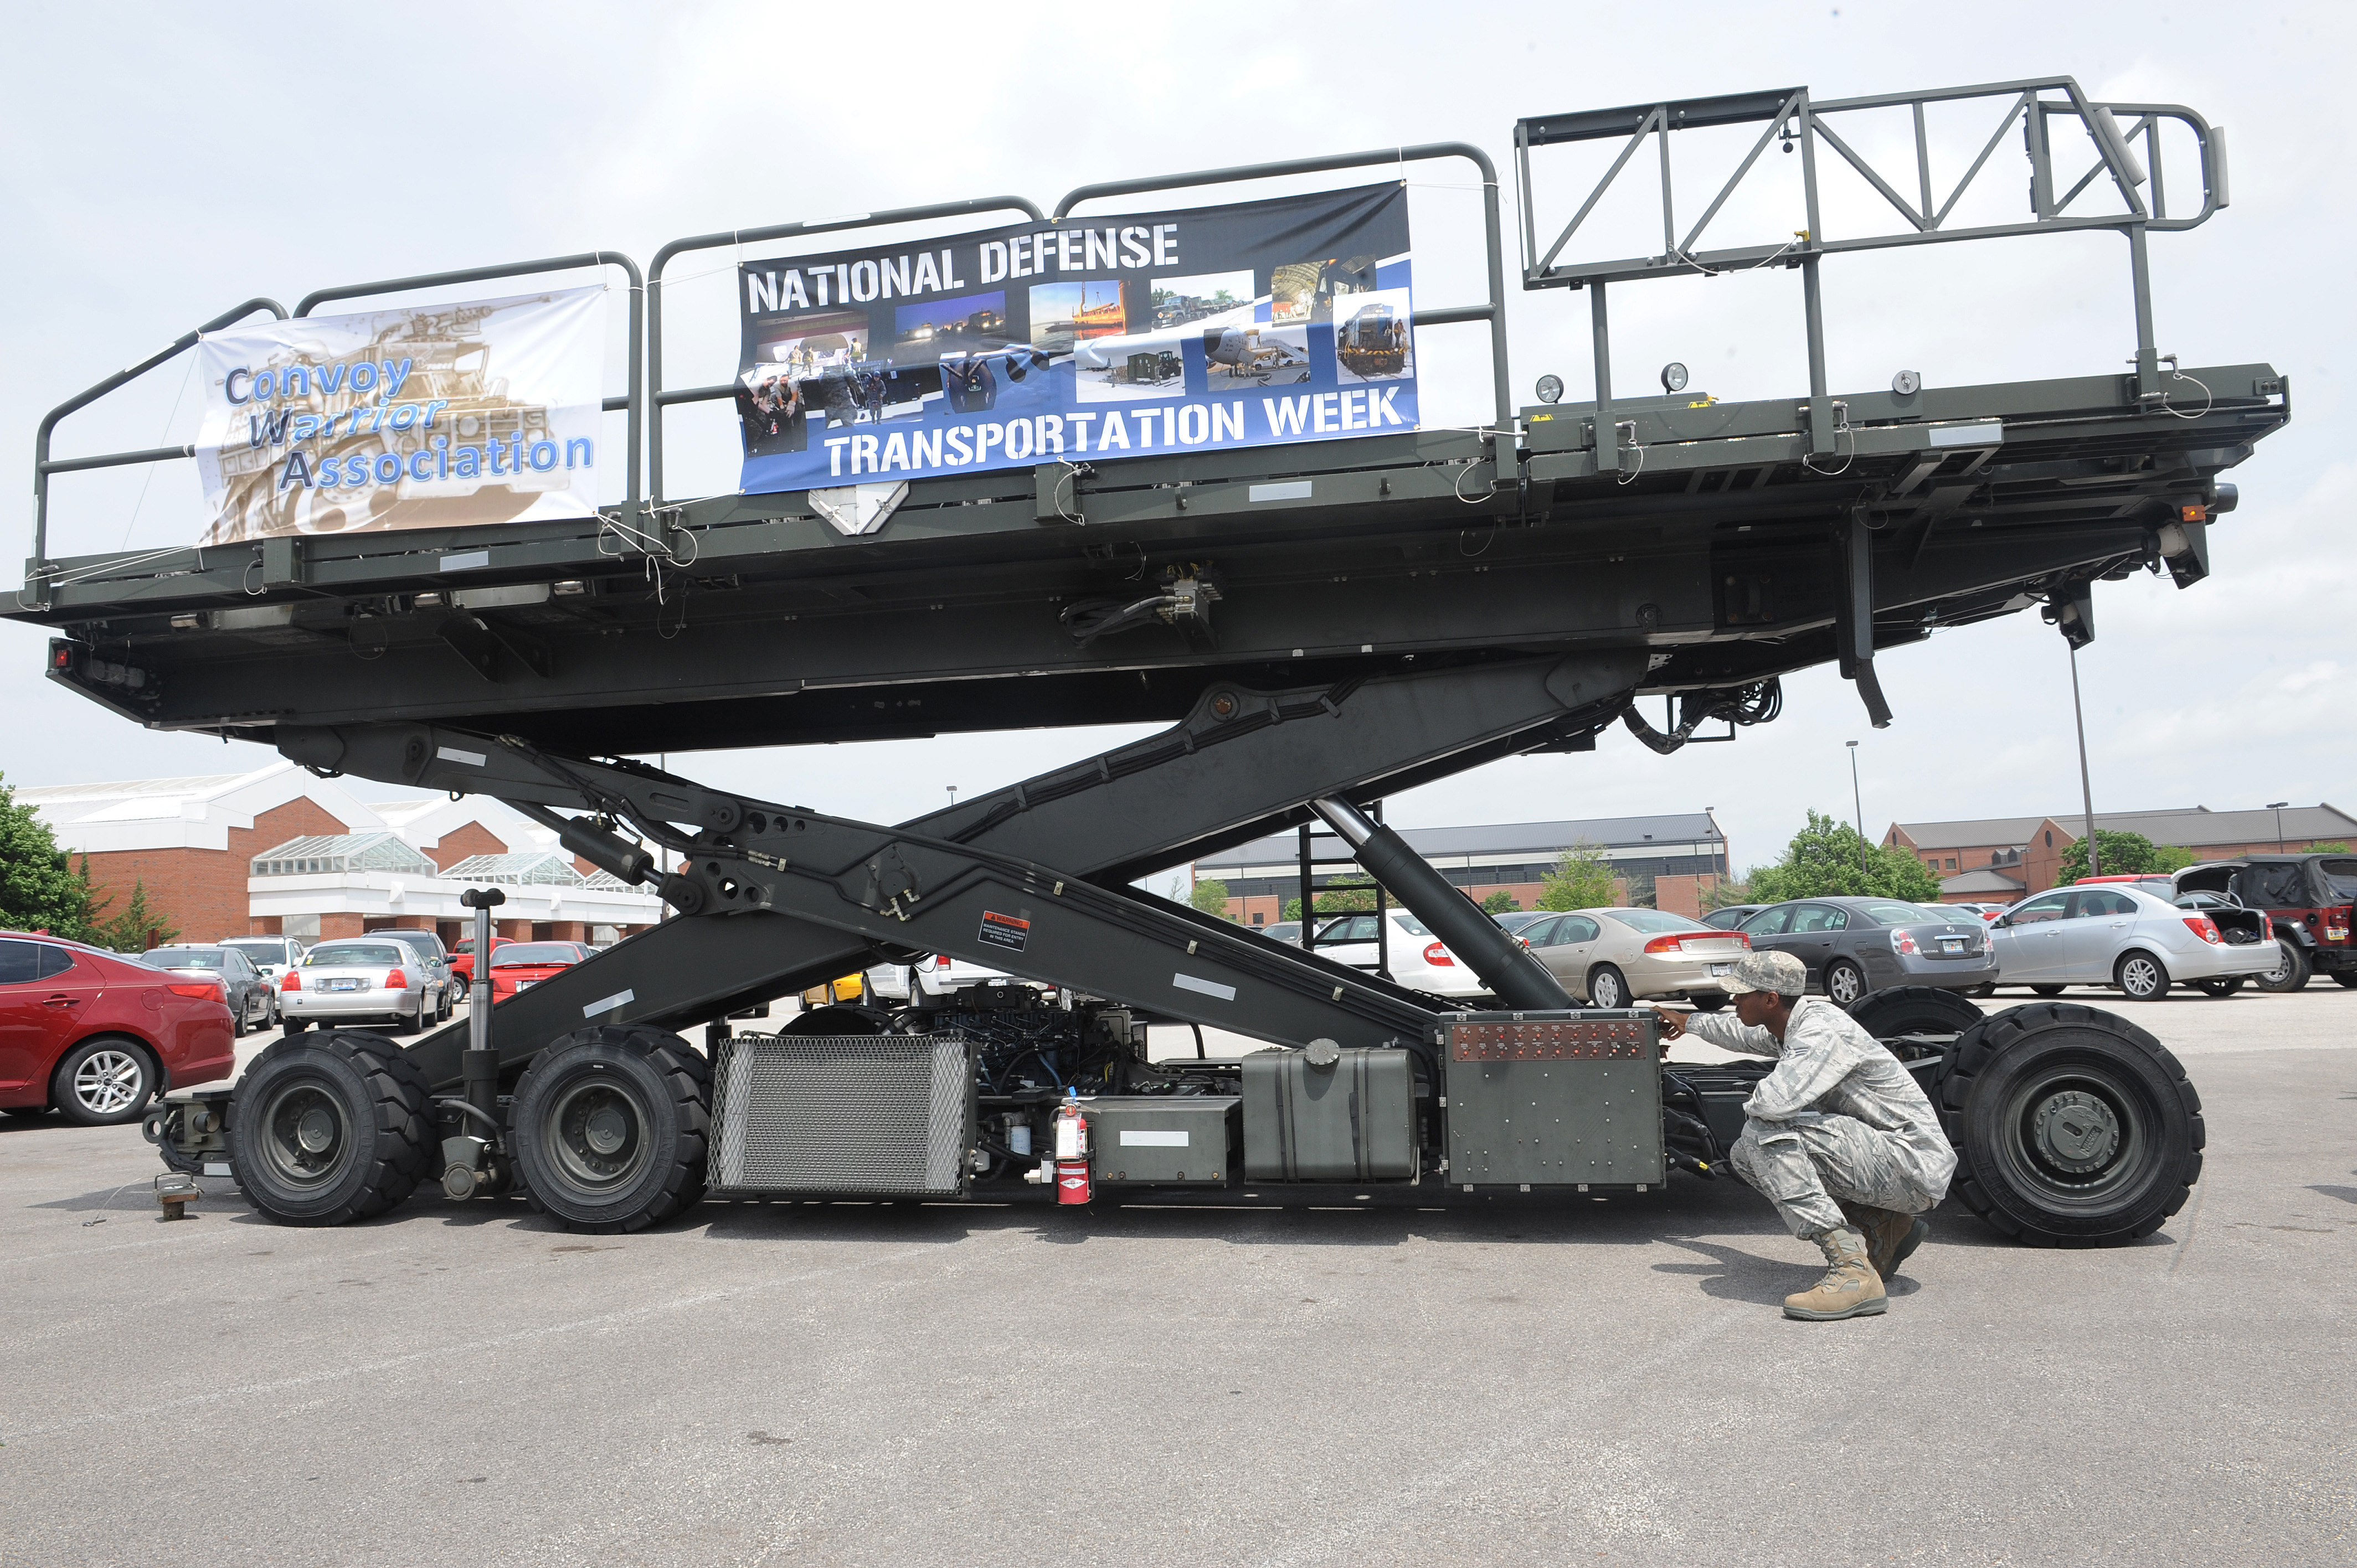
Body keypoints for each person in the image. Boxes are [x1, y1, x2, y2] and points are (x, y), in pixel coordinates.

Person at [1650, 948, 1957, 1322]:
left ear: (1770, 999)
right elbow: (1740, 1032)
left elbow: (1773, 1104)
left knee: (1764, 1136)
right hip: (1894, 1158)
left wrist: (1749, 1103)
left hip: (1912, 1164)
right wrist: (1687, 1021)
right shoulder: (1793, 1022)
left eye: (1742, 994)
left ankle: (1852, 1274)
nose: (1733, 1000)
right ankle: (1886, 1225)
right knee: (1745, 1156)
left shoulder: (1819, 1033)